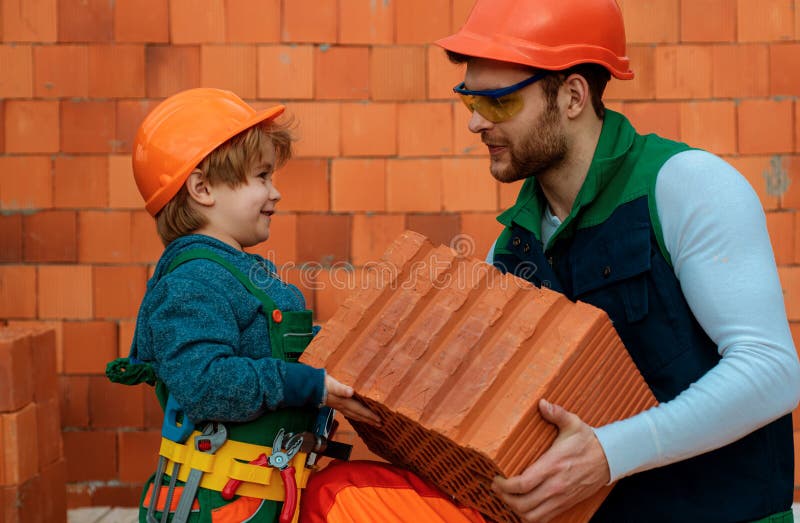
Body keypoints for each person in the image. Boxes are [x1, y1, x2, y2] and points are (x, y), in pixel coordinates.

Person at [432, 0, 800, 522]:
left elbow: (772, 371)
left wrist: (609, 454)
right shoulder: (508, 252)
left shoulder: (686, 185)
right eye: (470, 99)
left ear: (574, 96)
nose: (474, 123)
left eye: (498, 103)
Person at [112, 87, 379, 522]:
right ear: (202, 188)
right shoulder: (191, 282)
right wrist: (305, 384)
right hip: (218, 506)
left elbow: (268, 350)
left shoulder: (238, 272)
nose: (275, 193)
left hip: (261, 498)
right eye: (261, 177)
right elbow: (204, 383)